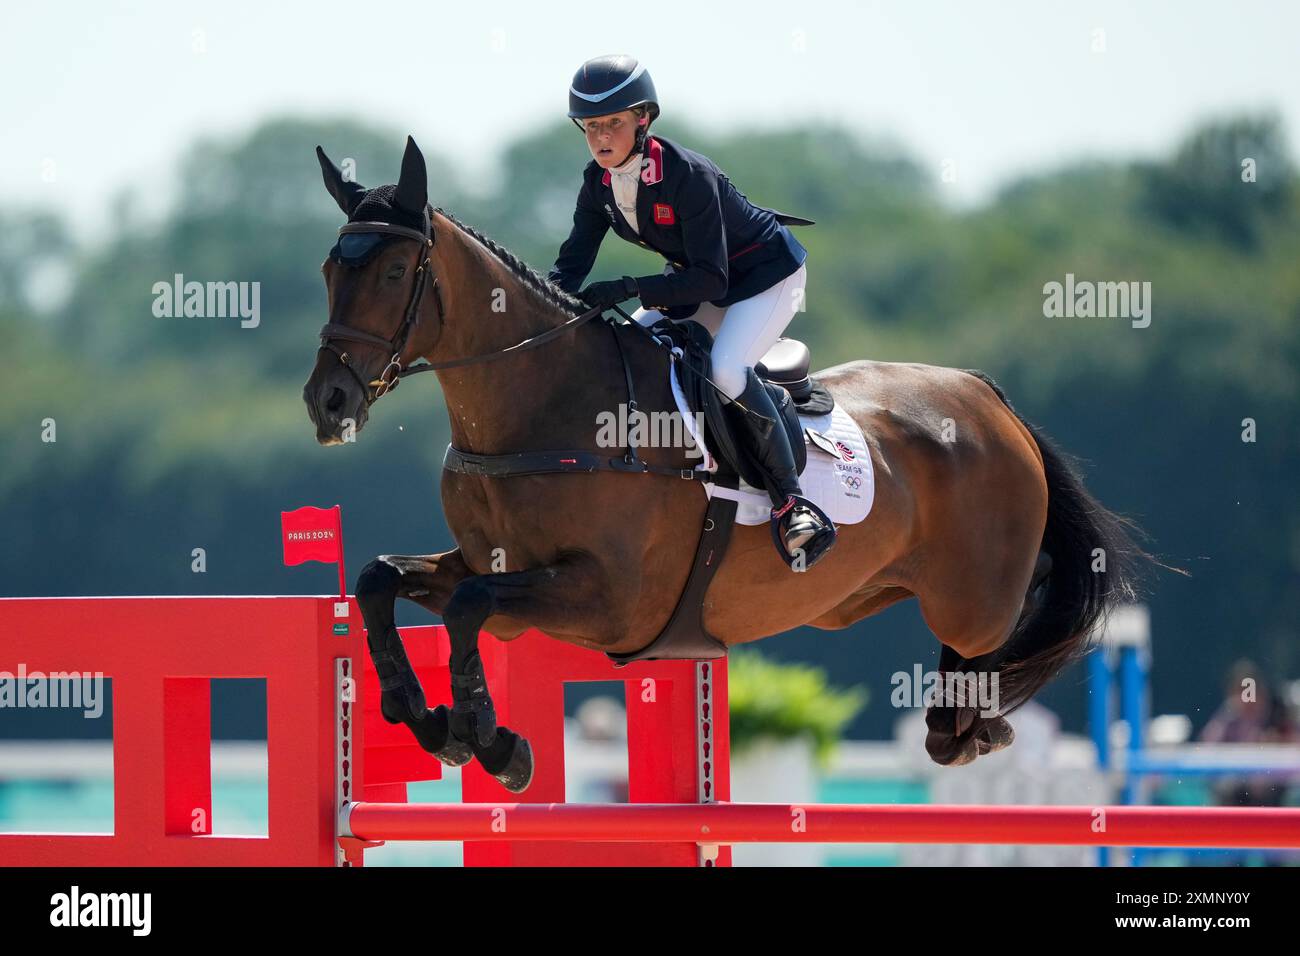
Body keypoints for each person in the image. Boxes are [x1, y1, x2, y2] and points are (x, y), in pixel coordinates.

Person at [547, 54, 836, 569]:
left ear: (644, 119)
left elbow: (712, 279)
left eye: (612, 123)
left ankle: (792, 504)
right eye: (590, 127)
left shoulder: (687, 175)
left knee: (725, 368)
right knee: (629, 351)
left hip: (767, 279)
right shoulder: (598, 184)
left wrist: (632, 285)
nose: (600, 138)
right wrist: (544, 311)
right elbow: (571, 263)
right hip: (702, 281)